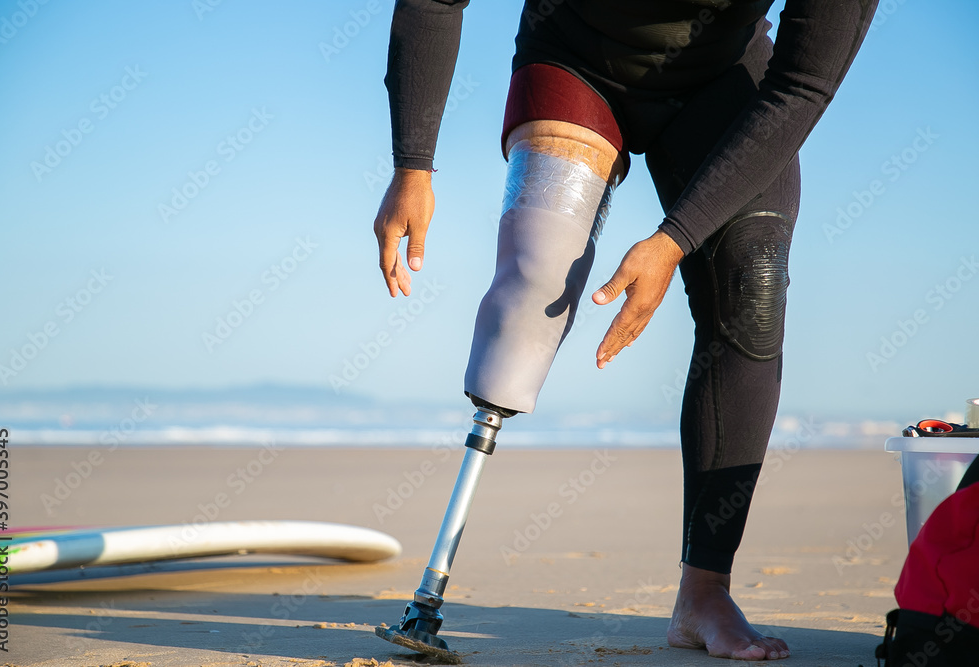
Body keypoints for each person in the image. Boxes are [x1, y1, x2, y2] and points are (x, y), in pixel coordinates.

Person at [372, 0, 878, 660]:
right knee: (539, 270)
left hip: (719, 74)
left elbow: (805, 82)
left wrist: (674, 240)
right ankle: (430, 588)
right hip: (574, 53)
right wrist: (412, 165)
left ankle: (704, 592)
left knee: (751, 285)